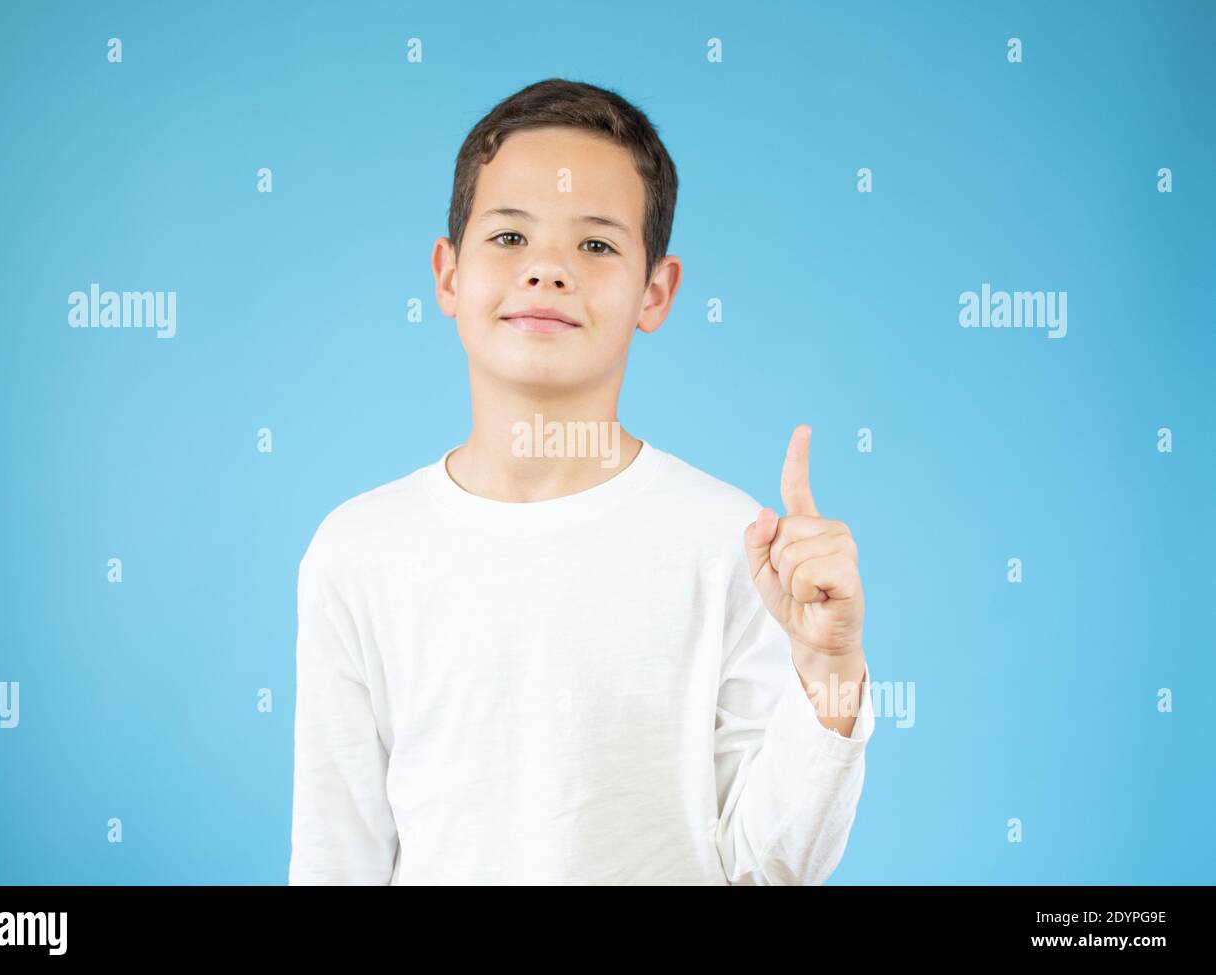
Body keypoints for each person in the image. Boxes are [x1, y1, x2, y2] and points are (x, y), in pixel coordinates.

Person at [289, 78, 874, 885]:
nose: (547, 271)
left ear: (656, 291)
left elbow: (769, 865)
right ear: (448, 274)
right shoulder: (357, 551)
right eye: (508, 238)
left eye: (596, 245)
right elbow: (336, 857)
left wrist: (830, 669)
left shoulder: (731, 544)